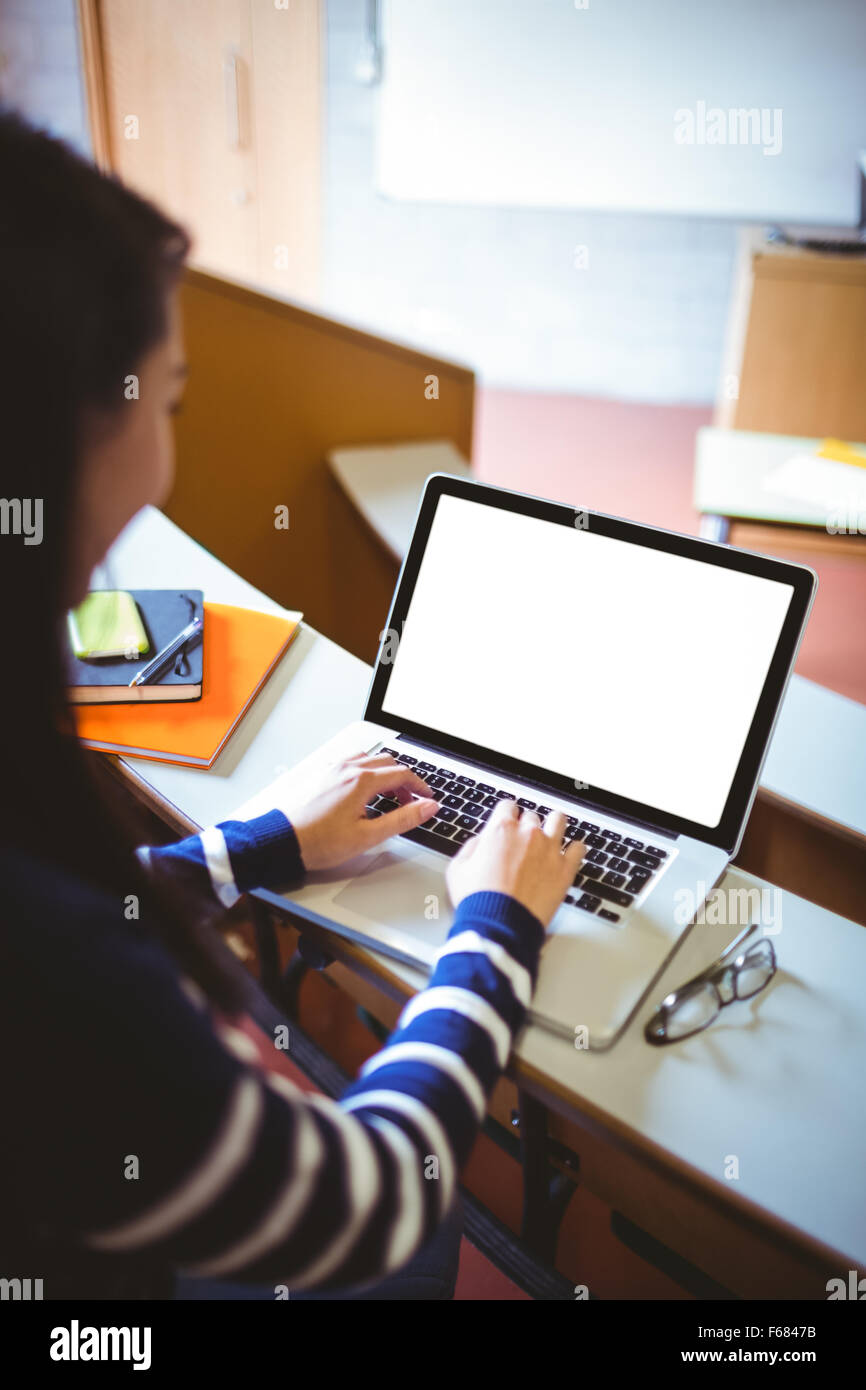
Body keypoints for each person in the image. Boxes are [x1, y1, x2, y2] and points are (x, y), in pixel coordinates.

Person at [0, 111, 584, 1300]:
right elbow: (363, 1201)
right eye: (167, 402)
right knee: (420, 1246)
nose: (166, 461)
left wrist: (254, 844)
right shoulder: (66, 987)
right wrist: (491, 932)